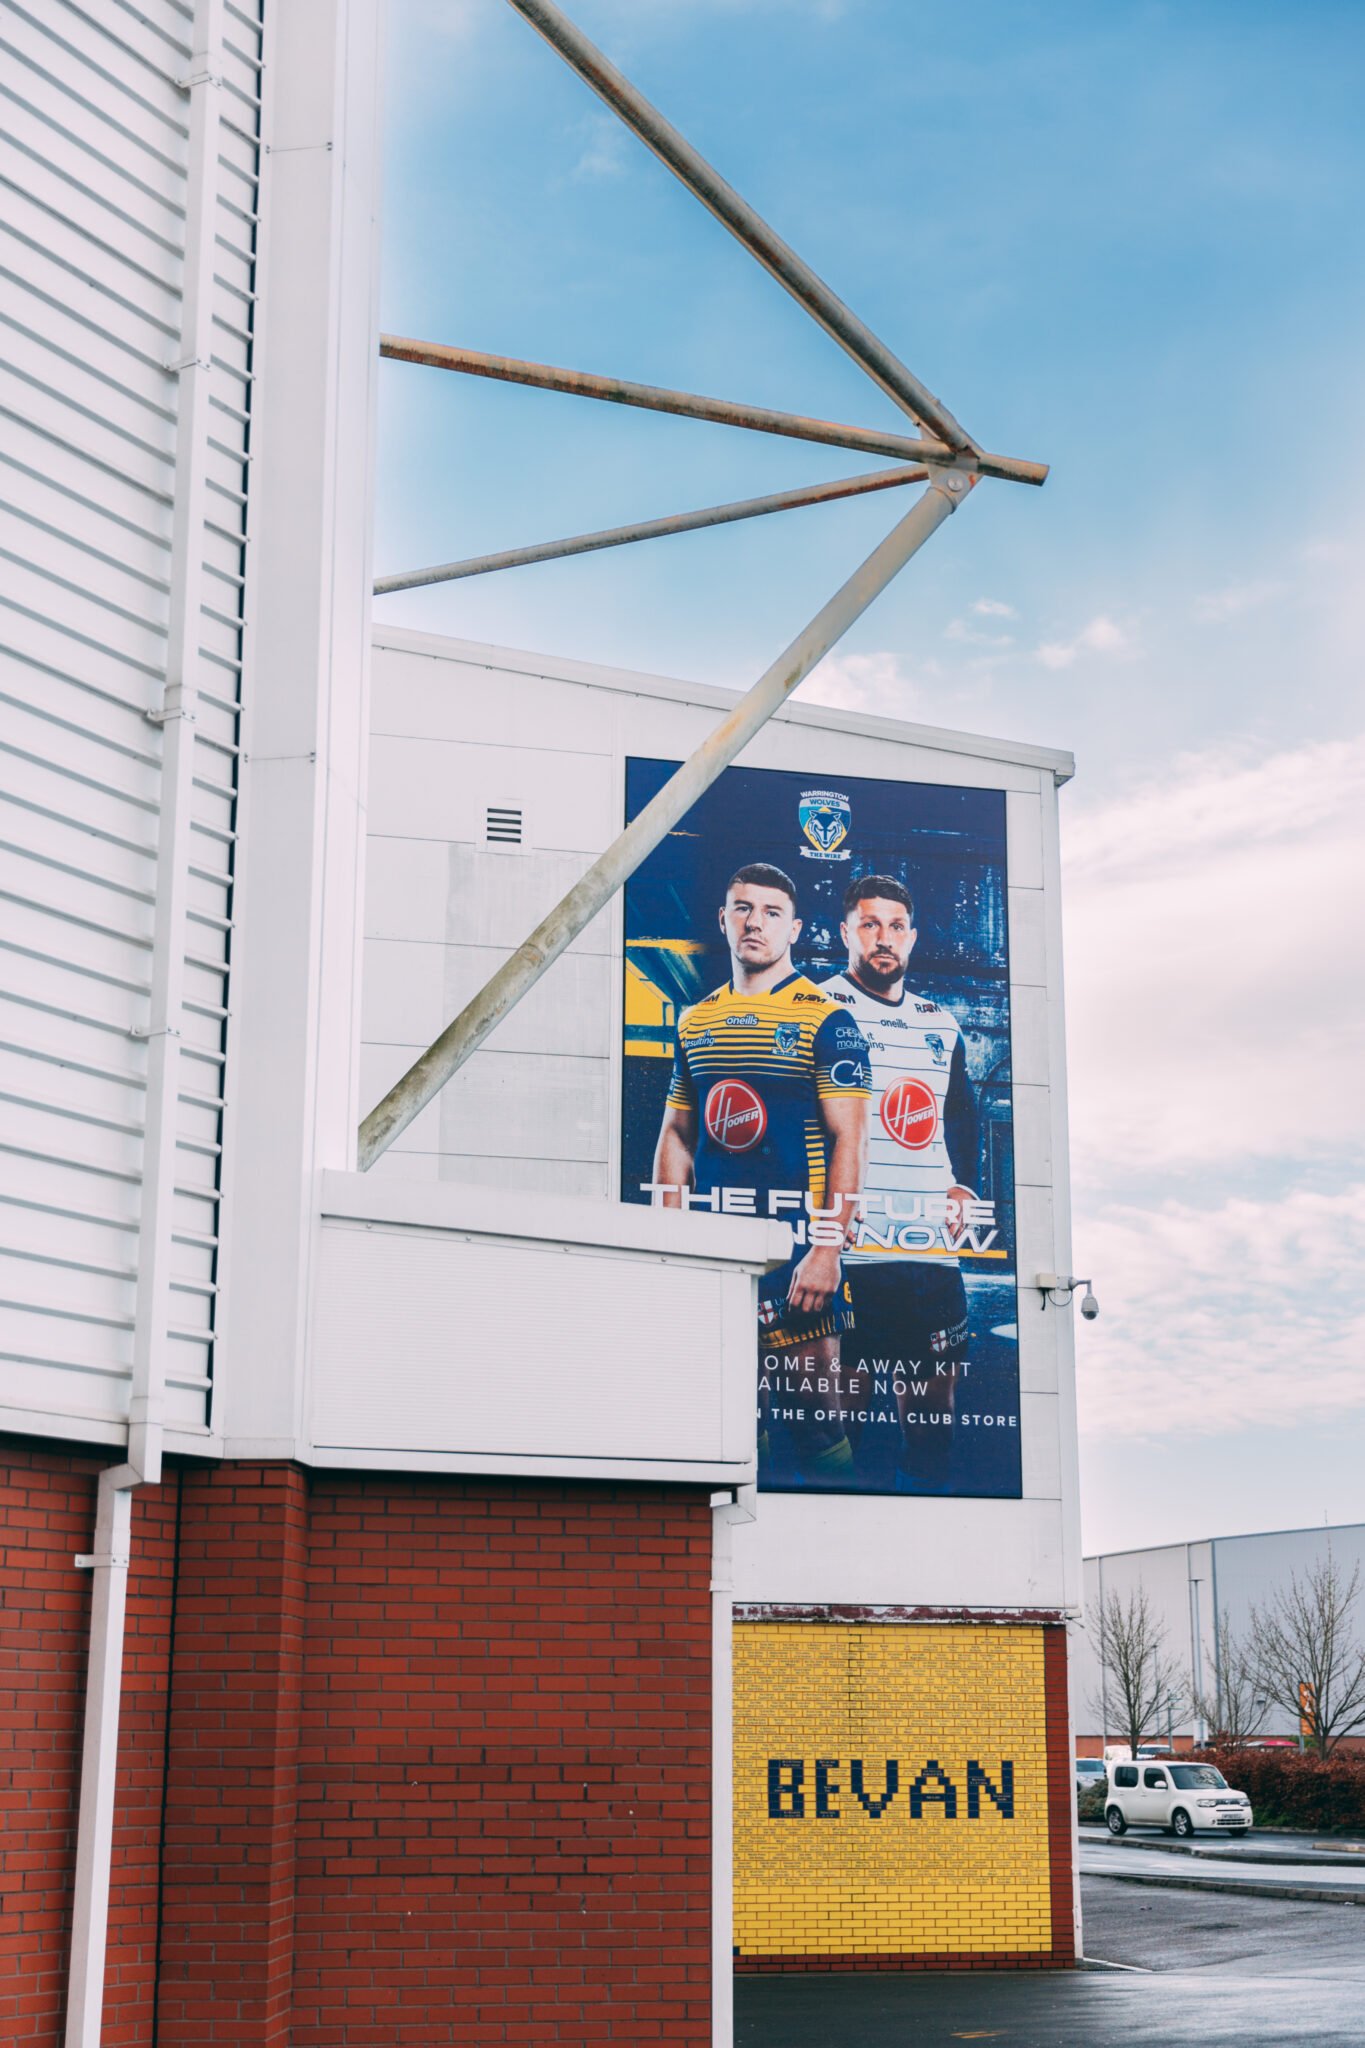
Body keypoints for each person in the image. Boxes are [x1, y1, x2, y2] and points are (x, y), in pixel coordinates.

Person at [648, 863, 870, 1486]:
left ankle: (836, 1561)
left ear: (794, 929)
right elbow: (677, 1134)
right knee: (730, 1417)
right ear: (723, 920)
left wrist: (827, 1249)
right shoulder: (695, 1020)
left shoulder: (826, 1019)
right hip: (716, 1254)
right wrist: (671, 1240)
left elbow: (850, 1136)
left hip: (797, 1253)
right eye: (743, 908)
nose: (756, 923)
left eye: (772, 913)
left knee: (818, 1419)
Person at [820, 873, 979, 1493]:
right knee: (841, 1425)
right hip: (852, 1254)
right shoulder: (816, 1008)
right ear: (845, 932)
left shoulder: (942, 1023)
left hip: (929, 1256)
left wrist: (963, 1184)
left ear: (911, 937)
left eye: (894, 926)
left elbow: (958, 1112)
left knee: (933, 1426)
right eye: (869, 924)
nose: (882, 938)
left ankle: (924, 1551)